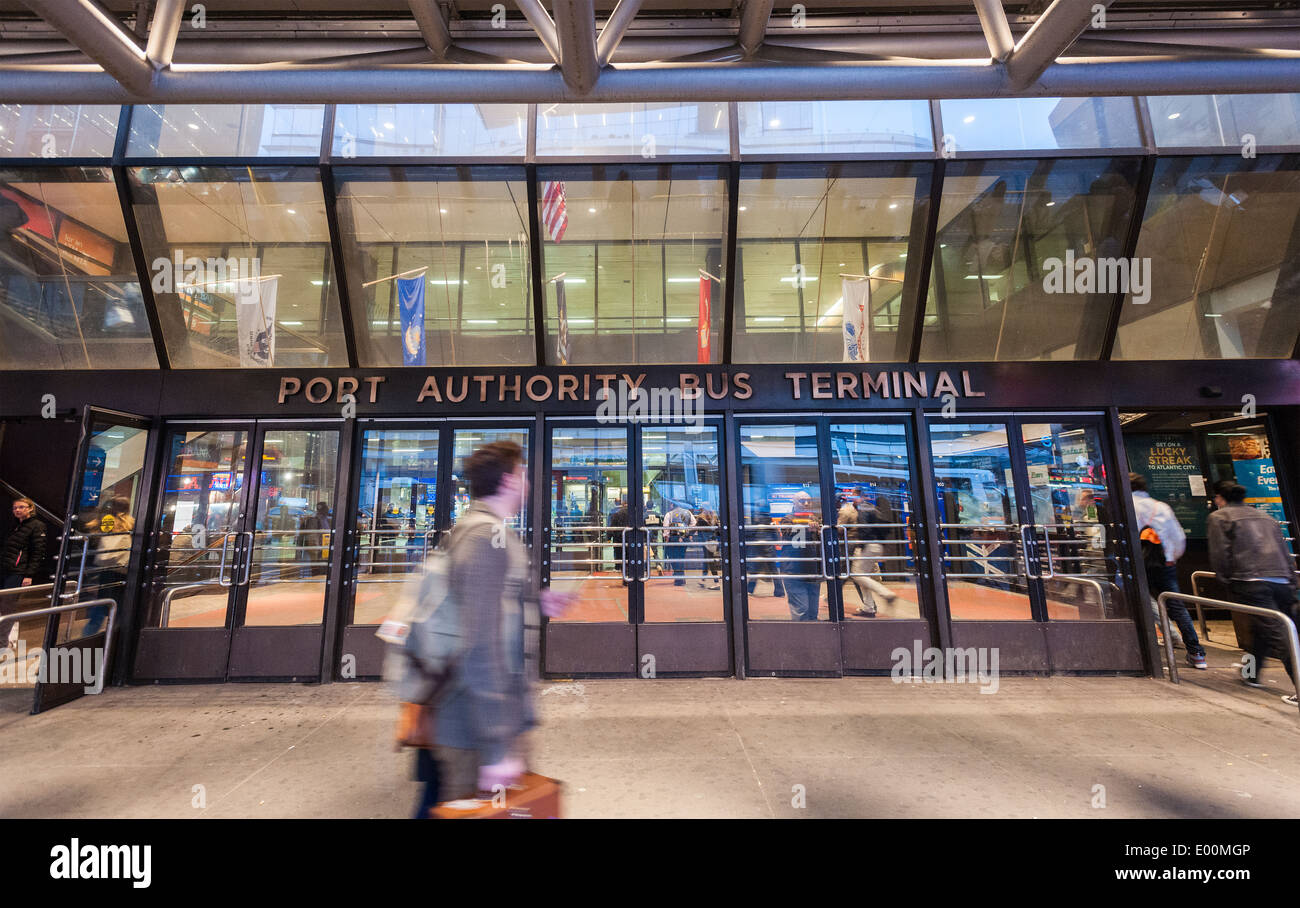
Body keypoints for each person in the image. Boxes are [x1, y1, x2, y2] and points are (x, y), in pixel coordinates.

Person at [429, 441, 574, 807]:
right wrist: (496, 748)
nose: (528, 482)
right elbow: (478, 644)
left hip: (489, 722)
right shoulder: (485, 537)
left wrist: (536, 603)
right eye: (523, 473)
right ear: (509, 480)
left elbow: (487, 607)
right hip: (477, 732)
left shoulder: (485, 530)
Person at [1208, 479, 1299, 704]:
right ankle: (1251, 674)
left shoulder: (1220, 517)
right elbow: (1283, 549)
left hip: (1250, 579)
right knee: (1264, 627)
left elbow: (1220, 552)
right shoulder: (1266, 517)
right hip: (1281, 578)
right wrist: (1291, 577)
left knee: (1278, 633)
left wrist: (1225, 577)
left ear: (1219, 498)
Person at [1130, 473, 1205, 670]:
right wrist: (1170, 557)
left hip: (1135, 564)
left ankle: (1141, 647)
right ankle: (1196, 652)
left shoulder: (1125, 505)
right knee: (1177, 606)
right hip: (1164, 564)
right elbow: (1178, 538)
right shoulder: (1161, 507)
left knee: (1134, 601)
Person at [1, 497, 46, 650]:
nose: (17, 510)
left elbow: (37, 553)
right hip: (5, 571)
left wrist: (29, 575)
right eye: (15, 508)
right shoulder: (16, 526)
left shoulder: (37, 526)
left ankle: (2, 644)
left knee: (8, 607)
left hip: (18, 573)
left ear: (30, 508)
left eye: (21, 507)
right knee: (5, 606)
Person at [88, 497, 133, 636]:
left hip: (102, 569)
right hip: (122, 571)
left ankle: (88, 636)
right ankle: (115, 636)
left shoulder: (100, 522)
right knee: (119, 606)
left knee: (100, 606)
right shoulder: (130, 523)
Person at [662, 502, 696, 586]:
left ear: (672, 505)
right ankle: (680, 577)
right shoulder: (688, 513)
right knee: (681, 557)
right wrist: (689, 534)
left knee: (673, 557)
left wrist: (666, 538)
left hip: (673, 538)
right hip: (685, 538)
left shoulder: (669, 514)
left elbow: (666, 528)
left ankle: (679, 578)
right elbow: (694, 524)